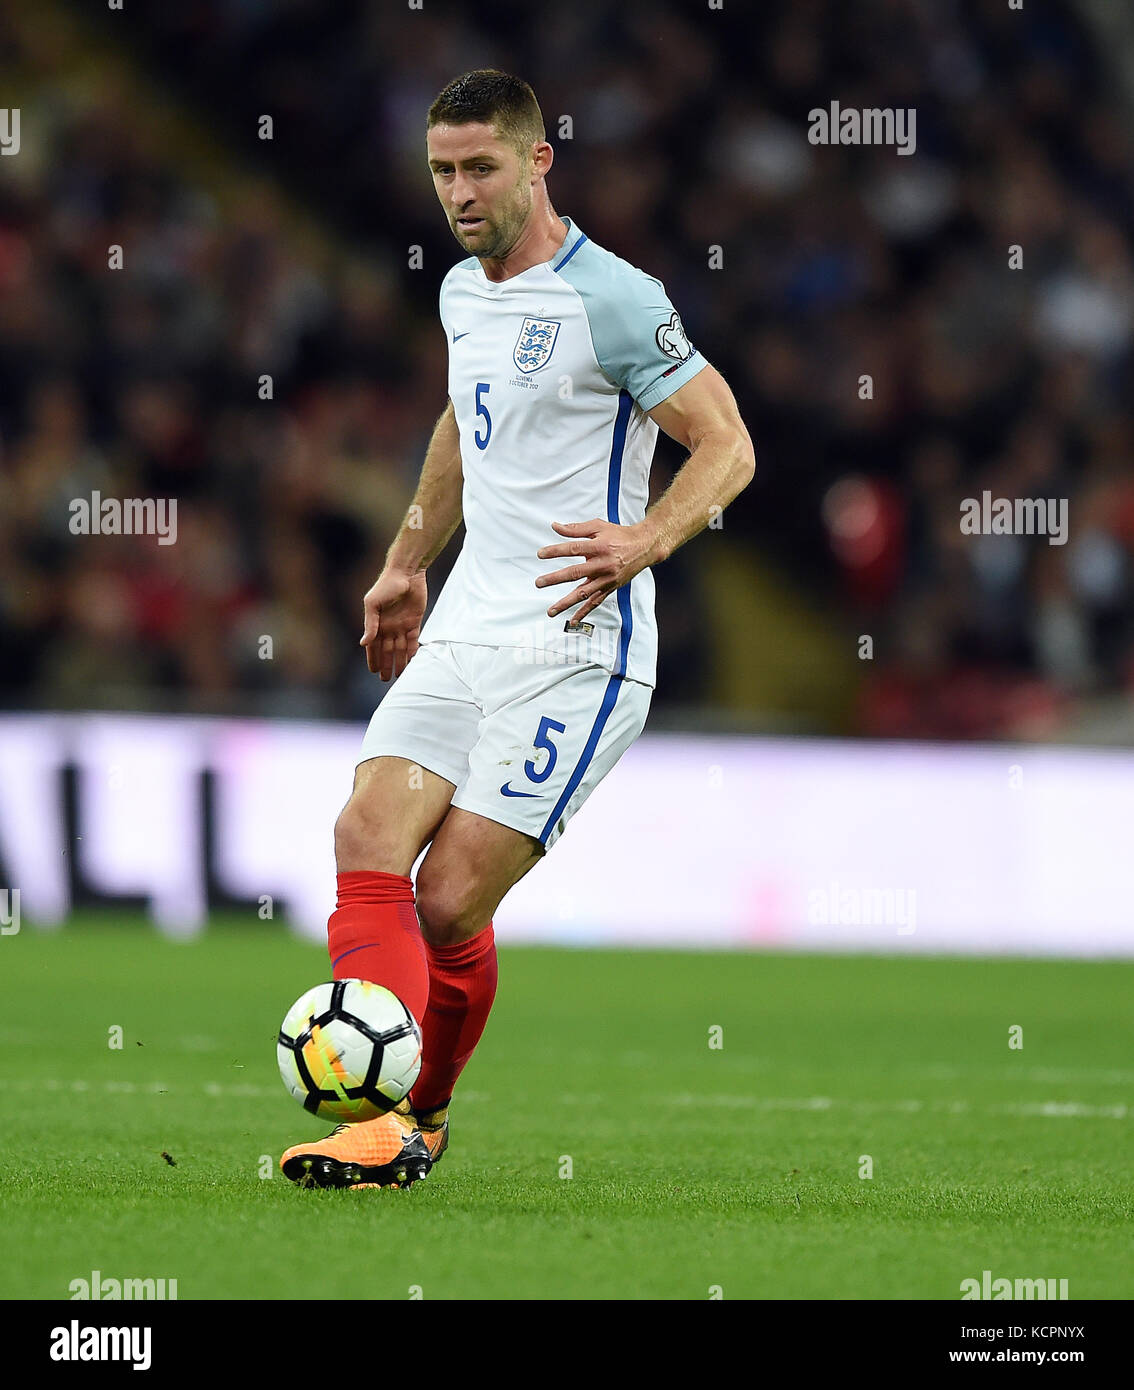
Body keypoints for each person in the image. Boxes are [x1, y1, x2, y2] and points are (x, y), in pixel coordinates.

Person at [281, 69, 754, 1189]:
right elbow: (462, 420)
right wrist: (406, 560)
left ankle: (420, 1113)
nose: (457, 190)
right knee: (365, 837)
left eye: (479, 166)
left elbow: (727, 443)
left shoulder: (618, 301)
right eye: (442, 170)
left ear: (539, 161)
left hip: (578, 651)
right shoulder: (461, 293)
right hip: (465, 626)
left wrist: (648, 539)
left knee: (448, 897)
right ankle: (385, 1119)